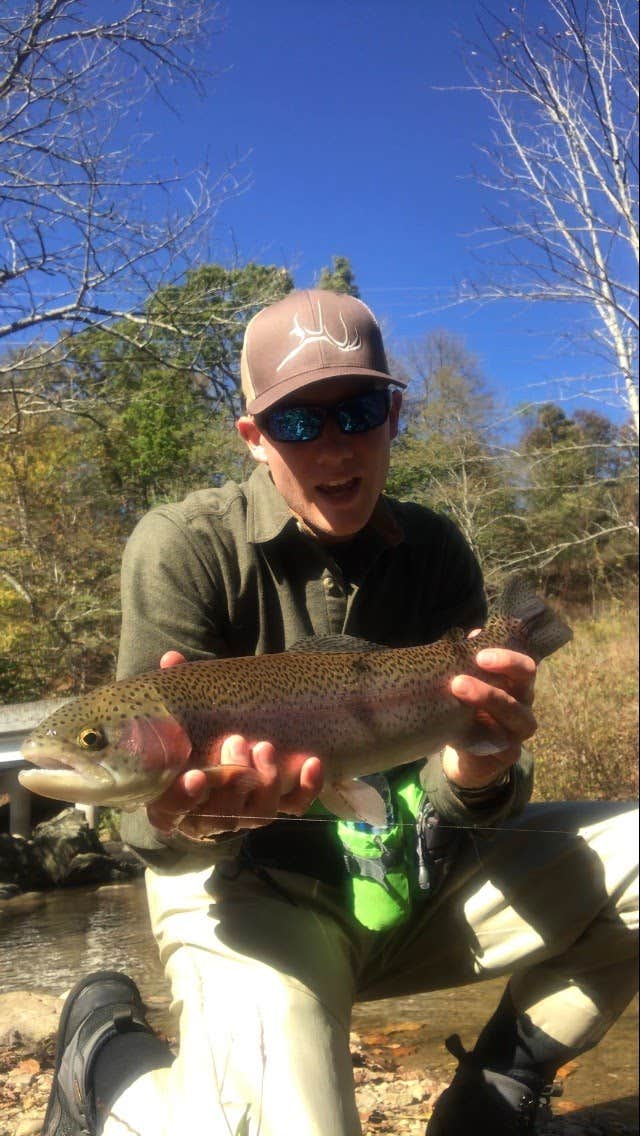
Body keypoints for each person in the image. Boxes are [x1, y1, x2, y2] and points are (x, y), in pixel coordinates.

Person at [42, 289, 638, 1136]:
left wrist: (477, 766)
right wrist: (196, 815)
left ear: (393, 415)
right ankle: (106, 1058)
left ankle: (498, 1090)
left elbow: (465, 806)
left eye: (357, 411)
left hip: (411, 874)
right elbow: (146, 832)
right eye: (296, 423)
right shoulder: (183, 545)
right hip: (248, 899)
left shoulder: (434, 548)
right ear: (253, 437)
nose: (334, 446)